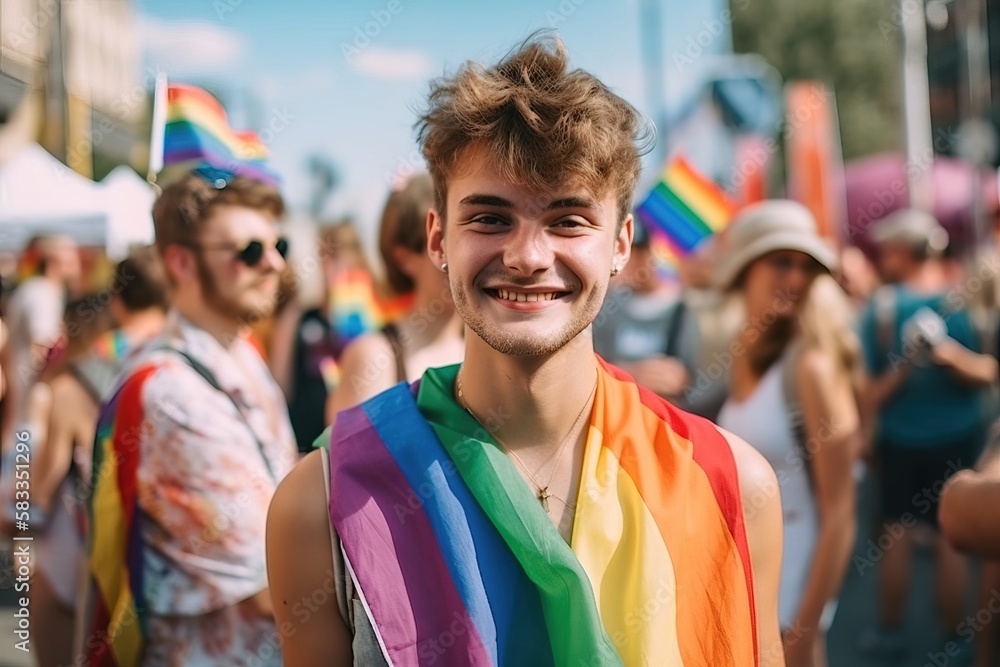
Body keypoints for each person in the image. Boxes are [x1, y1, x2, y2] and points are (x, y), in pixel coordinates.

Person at [268, 35, 784, 666]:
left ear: (621, 244)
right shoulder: (323, 501)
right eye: (489, 218)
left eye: (569, 220)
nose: (528, 256)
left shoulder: (732, 484)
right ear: (438, 237)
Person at [85, 173, 298, 665]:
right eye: (249, 251)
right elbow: (279, 580)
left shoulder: (242, 354)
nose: (275, 264)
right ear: (181, 261)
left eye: (278, 244)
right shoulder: (176, 396)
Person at [714, 201, 859, 667]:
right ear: (744, 271)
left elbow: (841, 511)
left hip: (794, 587)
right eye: (782, 262)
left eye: (806, 268)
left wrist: (805, 626)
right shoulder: (743, 357)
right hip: (744, 577)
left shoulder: (812, 366)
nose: (796, 280)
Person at [857, 208, 998, 661]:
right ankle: (954, 641)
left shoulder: (882, 309)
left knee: (898, 532)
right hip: (956, 441)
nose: (882, 257)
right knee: (948, 539)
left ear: (904, 252)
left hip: (905, 444)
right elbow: (990, 374)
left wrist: (943, 356)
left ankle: (892, 634)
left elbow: (869, 395)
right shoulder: (967, 305)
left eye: (889, 249)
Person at [26, 248, 168, 667]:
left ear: (118, 301)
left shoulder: (84, 372)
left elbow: (41, 491)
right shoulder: (203, 360)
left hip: (95, 549)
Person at [324, 173, 464, 427]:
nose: (462, 259)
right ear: (404, 259)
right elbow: (349, 463)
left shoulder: (493, 347)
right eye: (442, 245)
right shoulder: (374, 358)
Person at [285, 220, 372, 451]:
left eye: (338, 255)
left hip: (350, 447)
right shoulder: (301, 317)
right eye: (323, 255)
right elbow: (281, 385)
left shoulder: (374, 322)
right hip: (303, 447)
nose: (329, 266)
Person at [0, 234, 81, 454]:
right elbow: (46, 348)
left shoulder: (34, 290)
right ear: (54, 262)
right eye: (72, 258)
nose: (78, 264)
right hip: (32, 425)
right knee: (25, 487)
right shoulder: (44, 294)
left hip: (22, 420)